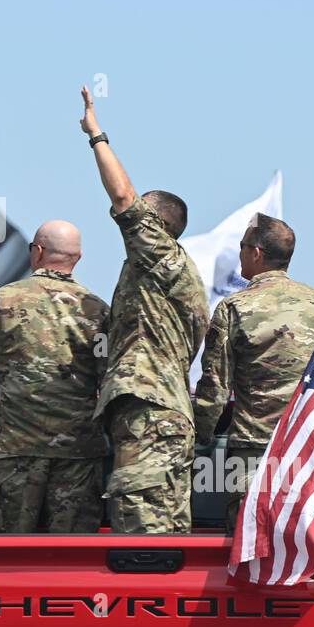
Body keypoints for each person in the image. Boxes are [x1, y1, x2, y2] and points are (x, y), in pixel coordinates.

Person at [79, 86, 209, 533]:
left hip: (151, 414)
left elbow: (123, 201)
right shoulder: (162, 273)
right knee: (160, 531)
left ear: (158, 228)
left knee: (145, 538)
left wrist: (96, 136)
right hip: (158, 413)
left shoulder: (162, 260)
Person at [0, 220, 110, 532]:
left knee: (6, 558)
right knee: (72, 559)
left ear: (37, 252)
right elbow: (110, 377)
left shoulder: (4, 300)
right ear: (77, 258)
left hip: (16, 451)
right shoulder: (98, 310)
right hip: (78, 455)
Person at [191, 212, 314, 532]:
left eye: (242, 247)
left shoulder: (236, 308)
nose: (240, 254)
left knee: (252, 549)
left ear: (256, 253)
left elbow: (215, 390)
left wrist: (197, 442)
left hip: (255, 459)